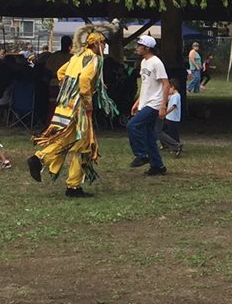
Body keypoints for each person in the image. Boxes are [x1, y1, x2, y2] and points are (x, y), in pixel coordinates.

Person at [28, 31, 119, 197]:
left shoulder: (77, 56)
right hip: (79, 107)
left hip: (66, 105)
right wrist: (87, 101)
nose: (104, 47)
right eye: (103, 44)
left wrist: (69, 90)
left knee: (69, 139)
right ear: (96, 44)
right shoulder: (94, 58)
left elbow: (61, 73)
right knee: (83, 144)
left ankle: (40, 158)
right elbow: (85, 80)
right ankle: (73, 186)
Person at [125, 36, 170, 176]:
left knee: (132, 125)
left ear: (148, 48)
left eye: (139, 45)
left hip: (154, 103)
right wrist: (138, 101)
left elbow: (166, 84)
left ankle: (142, 154)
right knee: (150, 135)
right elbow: (146, 84)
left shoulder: (156, 63)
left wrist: (163, 105)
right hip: (146, 102)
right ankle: (158, 165)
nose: (137, 48)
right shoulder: (144, 62)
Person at [160, 76, 184, 156]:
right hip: (168, 118)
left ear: (172, 87)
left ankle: (176, 147)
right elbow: (166, 99)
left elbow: (174, 106)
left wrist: (166, 112)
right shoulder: (172, 96)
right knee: (161, 130)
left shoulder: (176, 96)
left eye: (168, 88)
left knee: (173, 134)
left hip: (173, 119)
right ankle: (165, 144)